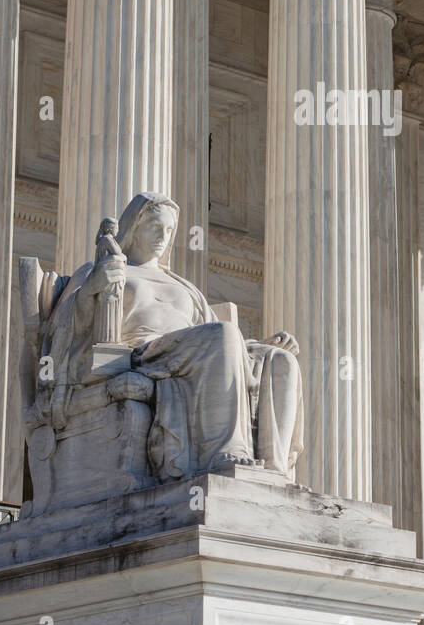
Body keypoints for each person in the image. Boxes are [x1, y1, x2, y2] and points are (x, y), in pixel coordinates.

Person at [42, 192, 304, 480]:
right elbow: (63, 327)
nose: (162, 236)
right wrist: (93, 286)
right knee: (223, 335)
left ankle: (274, 472)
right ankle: (225, 452)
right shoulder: (103, 268)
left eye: (168, 230)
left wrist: (260, 346)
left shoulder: (183, 285)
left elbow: (224, 340)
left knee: (280, 361)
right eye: (154, 226)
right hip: (141, 354)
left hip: (191, 351)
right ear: (134, 227)